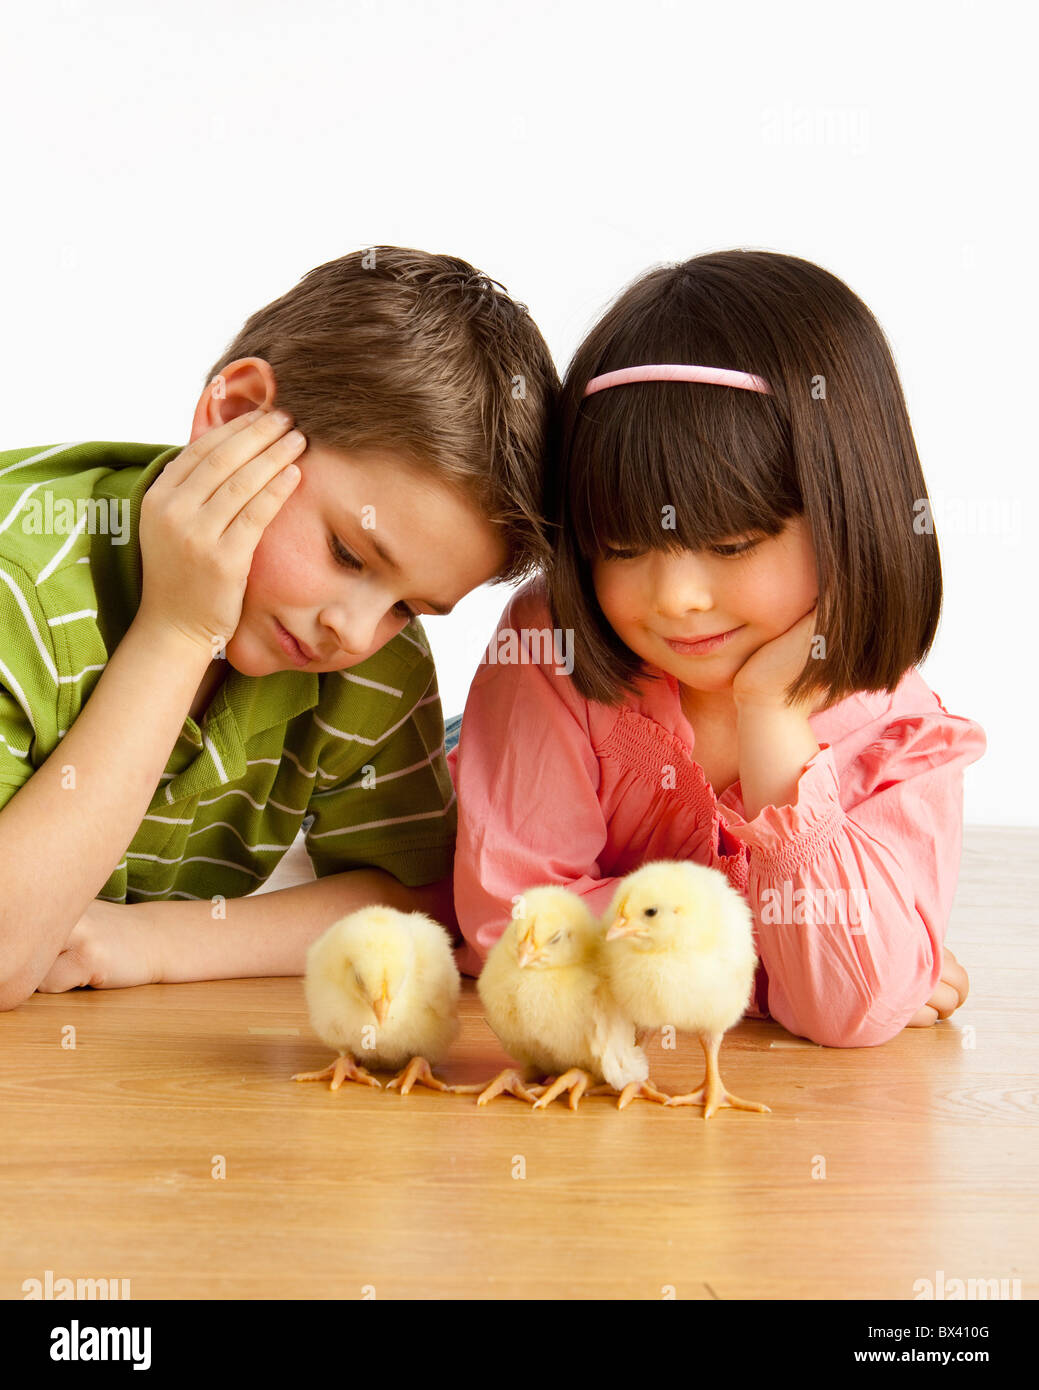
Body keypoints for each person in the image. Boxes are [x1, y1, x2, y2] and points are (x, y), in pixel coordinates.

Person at [446, 249, 986, 1048]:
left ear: (851, 516)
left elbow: (849, 1009)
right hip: (469, 758)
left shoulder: (898, 742)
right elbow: (517, 923)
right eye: (621, 548)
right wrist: (771, 968)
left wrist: (770, 712)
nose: (674, 600)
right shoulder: (549, 642)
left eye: (732, 544)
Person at [0, 246, 557, 1010]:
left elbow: (422, 898)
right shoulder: (19, 591)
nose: (353, 632)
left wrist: (153, 943)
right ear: (236, 418)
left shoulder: (366, 661)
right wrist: (177, 631)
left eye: (409, 608)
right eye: (346, 552)